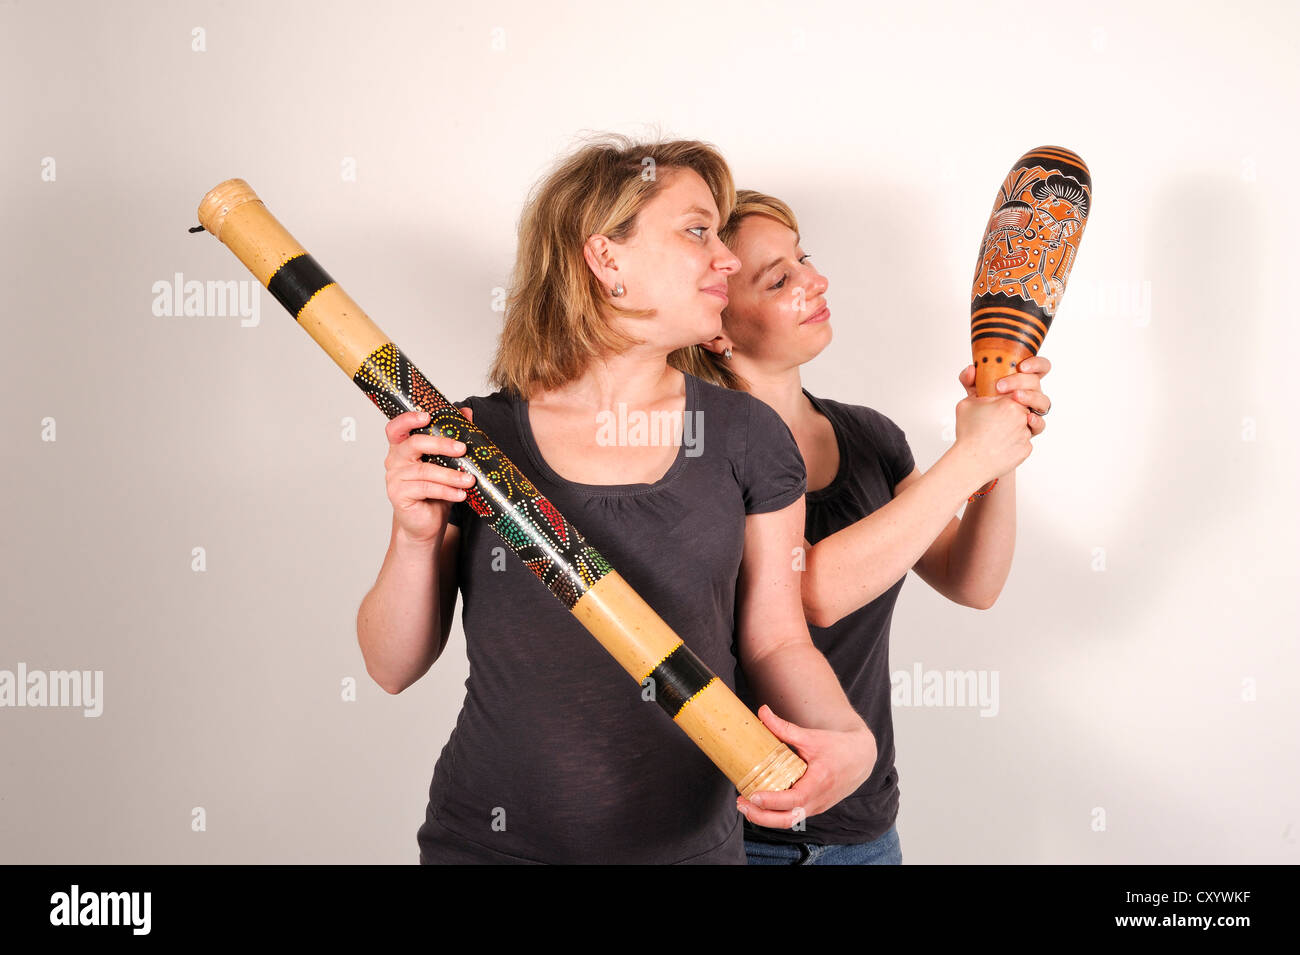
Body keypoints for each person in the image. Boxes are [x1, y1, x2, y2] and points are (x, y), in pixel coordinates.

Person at [355, 139, 877, 864]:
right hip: (489, 848)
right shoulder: (476, 437)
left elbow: (776, 639)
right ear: (606, 259)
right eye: (698, 231)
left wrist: (851, 740)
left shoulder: (745, 435)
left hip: (689, 851)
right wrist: (413, 536)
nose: (724, 257)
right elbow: (390, 667)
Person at [670, 190, 1052, 865]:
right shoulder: (697, 447)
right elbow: (809, 589)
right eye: (778, 277)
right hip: (741, 835)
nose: (813, 280)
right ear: (717, 326)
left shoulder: (869, 436)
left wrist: (1002, 437)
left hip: (866, 829)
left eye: (804, 258)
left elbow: (974, 580)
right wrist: (968, 458)